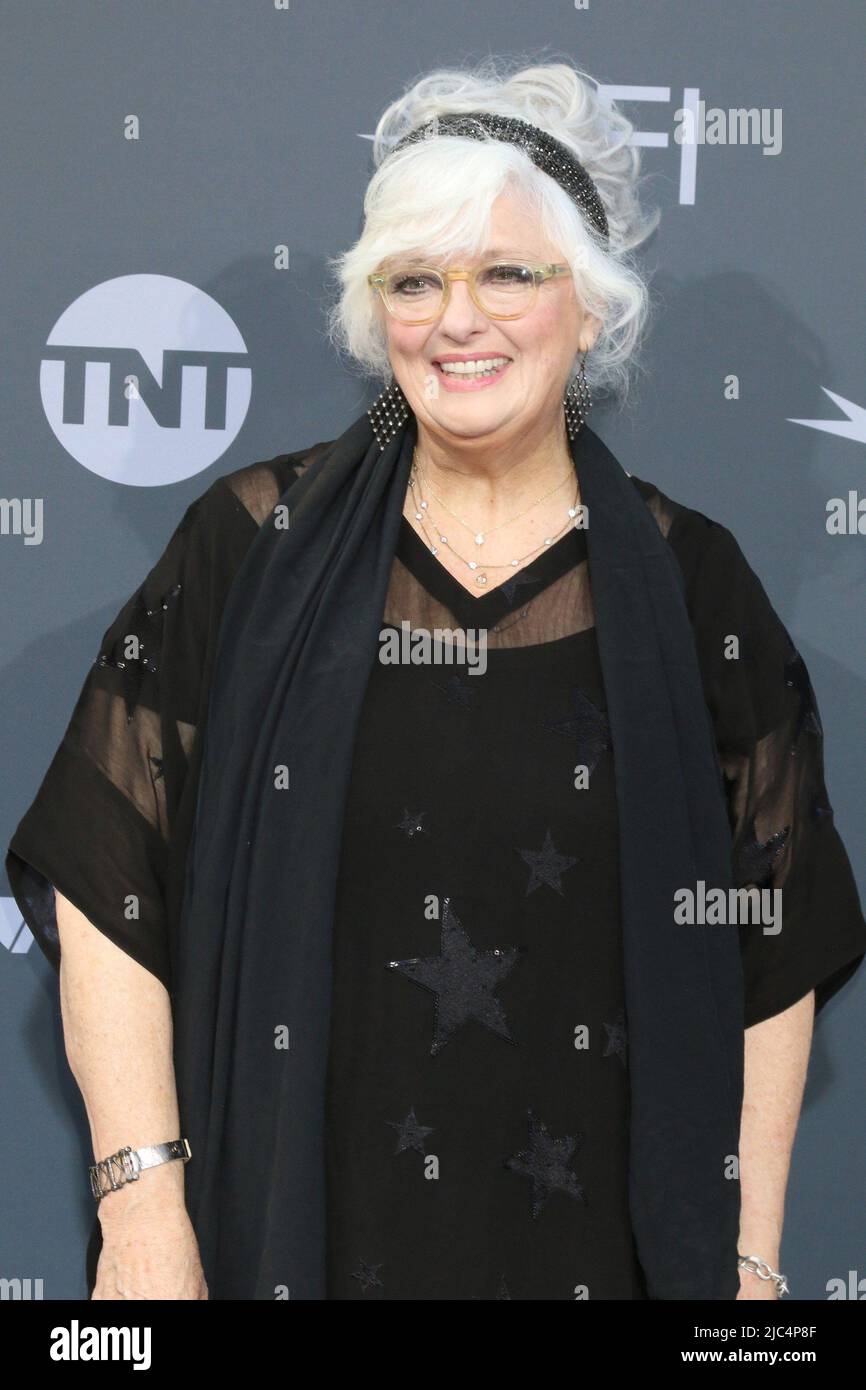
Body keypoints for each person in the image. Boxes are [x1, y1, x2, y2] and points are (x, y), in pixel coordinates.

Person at [7, 59, 866, 1302]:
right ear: (376, 313)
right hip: (282, 1248)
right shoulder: (246, 548)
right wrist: (144, 1223)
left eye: (506, 272)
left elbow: (768, 938)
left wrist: (745, 1262)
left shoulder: (692, 589)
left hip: (609, 1263)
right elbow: (103, 878)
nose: (458, 318)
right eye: (416, 280)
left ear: (592, 306)